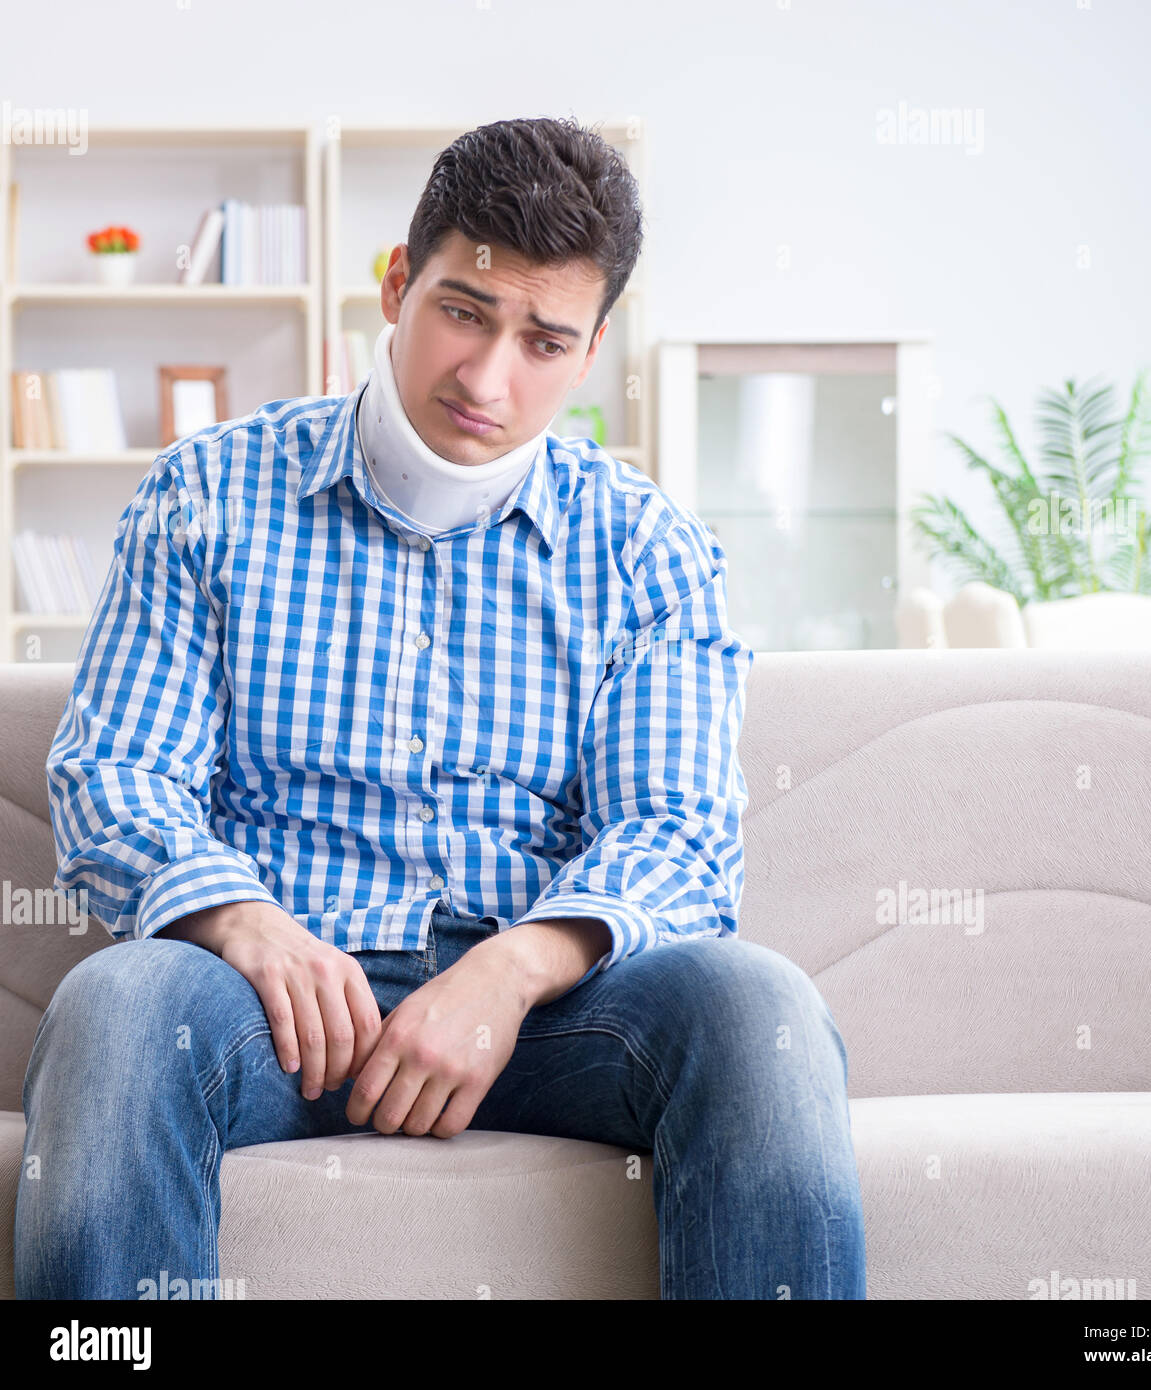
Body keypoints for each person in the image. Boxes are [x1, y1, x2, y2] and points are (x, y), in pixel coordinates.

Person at [16, 115, 866, 1300]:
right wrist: (247, 923)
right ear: (398, 283)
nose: (487, 378)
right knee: (117, 1003)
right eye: (465, 310)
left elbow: (676, 833)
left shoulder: (647, 547)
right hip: (272, 1001)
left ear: (593, 350)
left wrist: (510, 972)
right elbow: (117, 774)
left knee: (758, 1007)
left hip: (550, 1016)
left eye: (544, 339)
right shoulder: (203, 495)